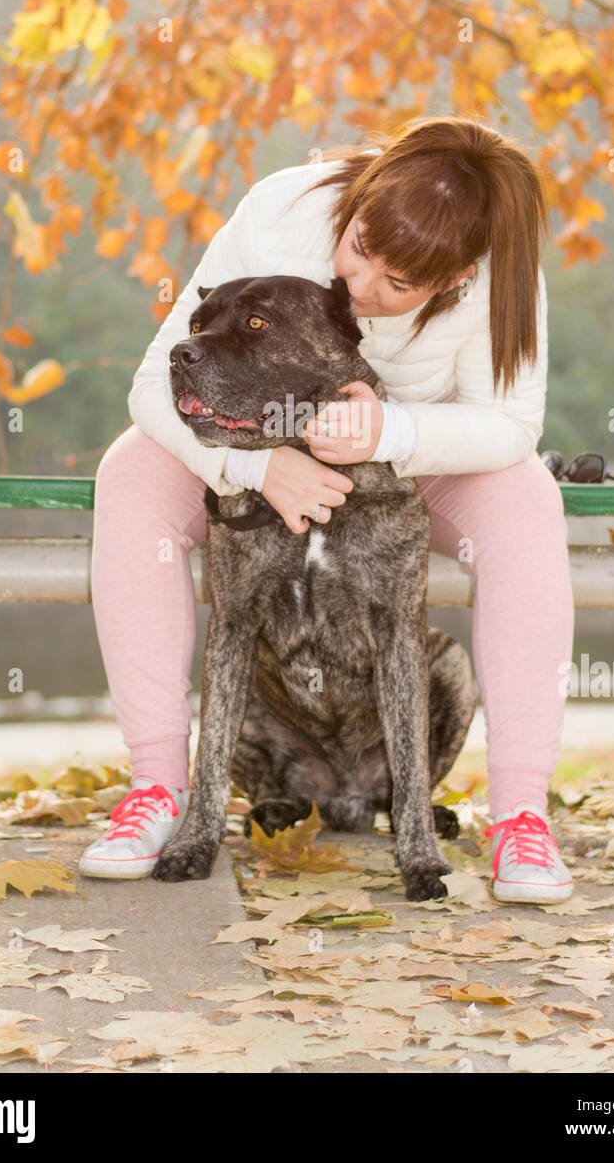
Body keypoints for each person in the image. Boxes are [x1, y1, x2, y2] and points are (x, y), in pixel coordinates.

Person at [81, 115, 576, 904]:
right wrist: (251, 463)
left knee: (527, 499)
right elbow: (154, 382)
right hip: (255, 440)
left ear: (457, 278)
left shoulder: (499, 276)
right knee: (131, 473)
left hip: (410, 460)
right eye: (358, 251)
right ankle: (157, 790)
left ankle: (520, 814)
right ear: (359, 203)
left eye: (397, 285)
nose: (359, 288)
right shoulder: (283, 208)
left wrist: (393, 430)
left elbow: (512, 423)